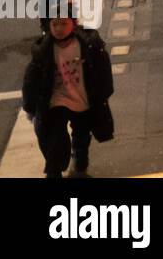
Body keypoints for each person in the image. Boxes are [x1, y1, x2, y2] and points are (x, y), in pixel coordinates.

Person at [22, 12, 114, 178]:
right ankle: (53, 171)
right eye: (55, 24)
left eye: (64, 23)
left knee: (82, 135)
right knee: (54, 139)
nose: (59, 29)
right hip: (56, 100)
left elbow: (103, 70)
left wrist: (103, 93)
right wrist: (30, 106)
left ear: (74, 23)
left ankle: (80, 164)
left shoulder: (88, 44)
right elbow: (31, 79)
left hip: (82, 99)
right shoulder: (44, 50)